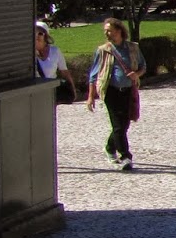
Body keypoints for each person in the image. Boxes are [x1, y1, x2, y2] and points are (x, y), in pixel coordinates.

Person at [86, 18, 145, 170]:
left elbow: (143, 66)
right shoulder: (103, 50)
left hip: (128, 90)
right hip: (110, 91)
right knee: (118, 124)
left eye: (109, 30)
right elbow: (93, 75)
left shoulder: (132, 48)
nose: (107, 33)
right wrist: (91, 96)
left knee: (124, 124)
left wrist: (136, 74)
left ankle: (109, 147)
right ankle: (125, 156)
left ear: (119, 31)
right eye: (105, 30)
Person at [34, 22, 78, 102]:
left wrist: (73, 89)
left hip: (51, 92)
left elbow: (64, 72)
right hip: (35, 92)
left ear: (46, 36)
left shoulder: (55, 51)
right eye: (34, 32)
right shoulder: (28, 53)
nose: (37, 35)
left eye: (40, 33)